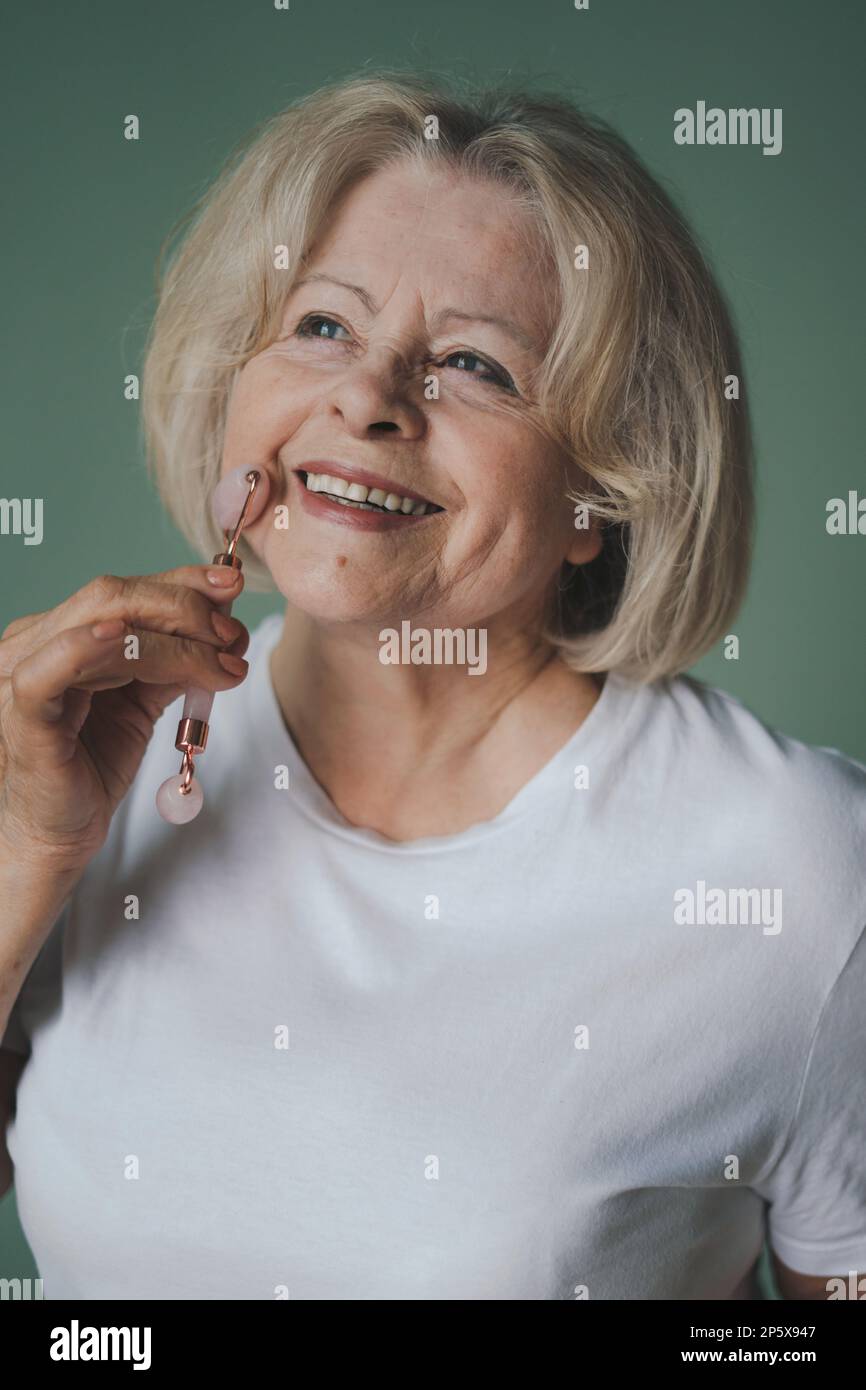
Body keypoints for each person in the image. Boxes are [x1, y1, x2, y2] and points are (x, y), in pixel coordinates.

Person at [1, 70, 864, 1301]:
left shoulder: (801, 874)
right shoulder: (65, 769)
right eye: (321, 326)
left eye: (473, 364)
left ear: (600, 495)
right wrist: (23, 848)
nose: (365, 396)